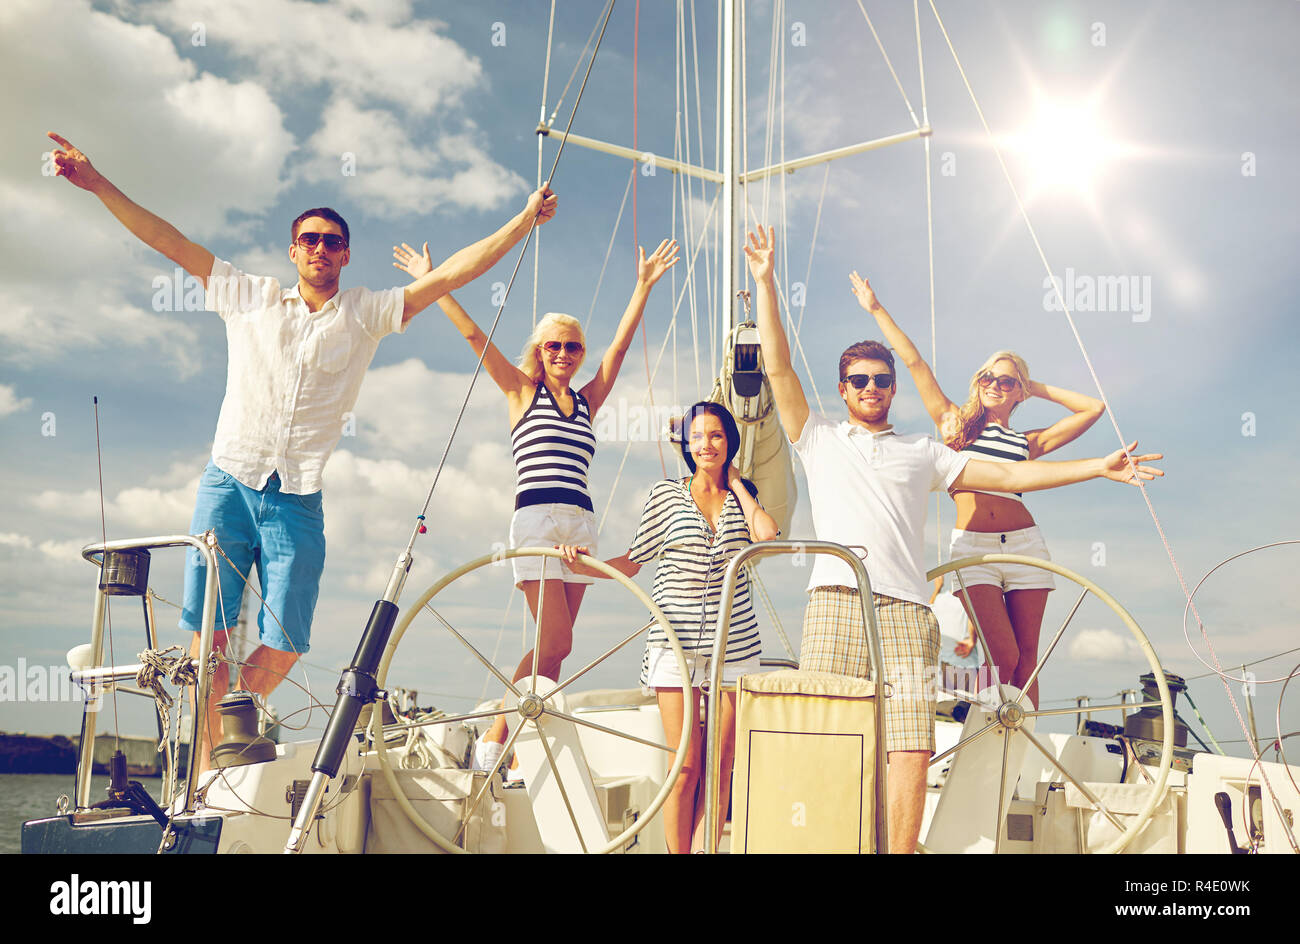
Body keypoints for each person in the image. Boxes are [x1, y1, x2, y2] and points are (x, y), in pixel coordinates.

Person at [47, 131, 558, 773]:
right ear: (293, 250)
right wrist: (97, 183)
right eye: (309, 239)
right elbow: (166, 238)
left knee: (285, 640)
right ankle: (209, 775)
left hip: (297, 497)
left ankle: (231, 719)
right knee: (210, 639)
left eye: (332, 241)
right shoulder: (249, 295)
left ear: (346, 255)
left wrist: (523, 218)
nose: (320, 248)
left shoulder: (367, 313)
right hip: (228, 480)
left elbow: (459, 269)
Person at [744, 225, 1162, 853]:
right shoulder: (817, 437)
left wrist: (1097, 468)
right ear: (842, 389)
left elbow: (1014, 474)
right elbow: (777, 367)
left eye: (882, 380)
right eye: (859, 380)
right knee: (828, 729)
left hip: (909, 613)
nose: (873, 389)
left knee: (909, 743)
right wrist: (766, 283)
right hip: (834, 603)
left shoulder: (925, 452)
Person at [393, 237, 678, 773]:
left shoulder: (587, 403)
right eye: (554, 346)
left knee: (558, 652)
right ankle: (496, 737)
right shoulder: (523, 393)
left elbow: (617, 353)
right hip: (539, 522)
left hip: (581, 522)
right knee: (556, 640)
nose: (564, 355)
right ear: (540, 350)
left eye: (572, 347)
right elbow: (476, 336)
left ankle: (503, 734)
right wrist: (433, 283)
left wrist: (642, 287)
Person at [852, 274, 1105, 710]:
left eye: (1007, 382)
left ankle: (1019, 759)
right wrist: (876, 308)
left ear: (1017, 391)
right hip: (973, 549)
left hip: (1026, 548)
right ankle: (950, 695)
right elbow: (914, 364)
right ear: (978, 380)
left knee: (1027, 663)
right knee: (1003, 657)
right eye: (990, 376)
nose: (995, 384)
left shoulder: (1028, 442)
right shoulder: (954, 425)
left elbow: (1094, 408)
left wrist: (1035, 386)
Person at [557, 402, 779, 853]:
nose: (706, 444)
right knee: (685, 765)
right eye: (697, 437)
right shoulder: (665, 495)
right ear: (686, 444)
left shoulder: (744, 492)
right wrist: (584, 564)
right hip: (672, 644)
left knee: (722, 763)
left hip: (733, 645)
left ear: (729, 441)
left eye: (716, 435)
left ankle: (707, 849)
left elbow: (768, 536)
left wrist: (737, 483)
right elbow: (633, 561)